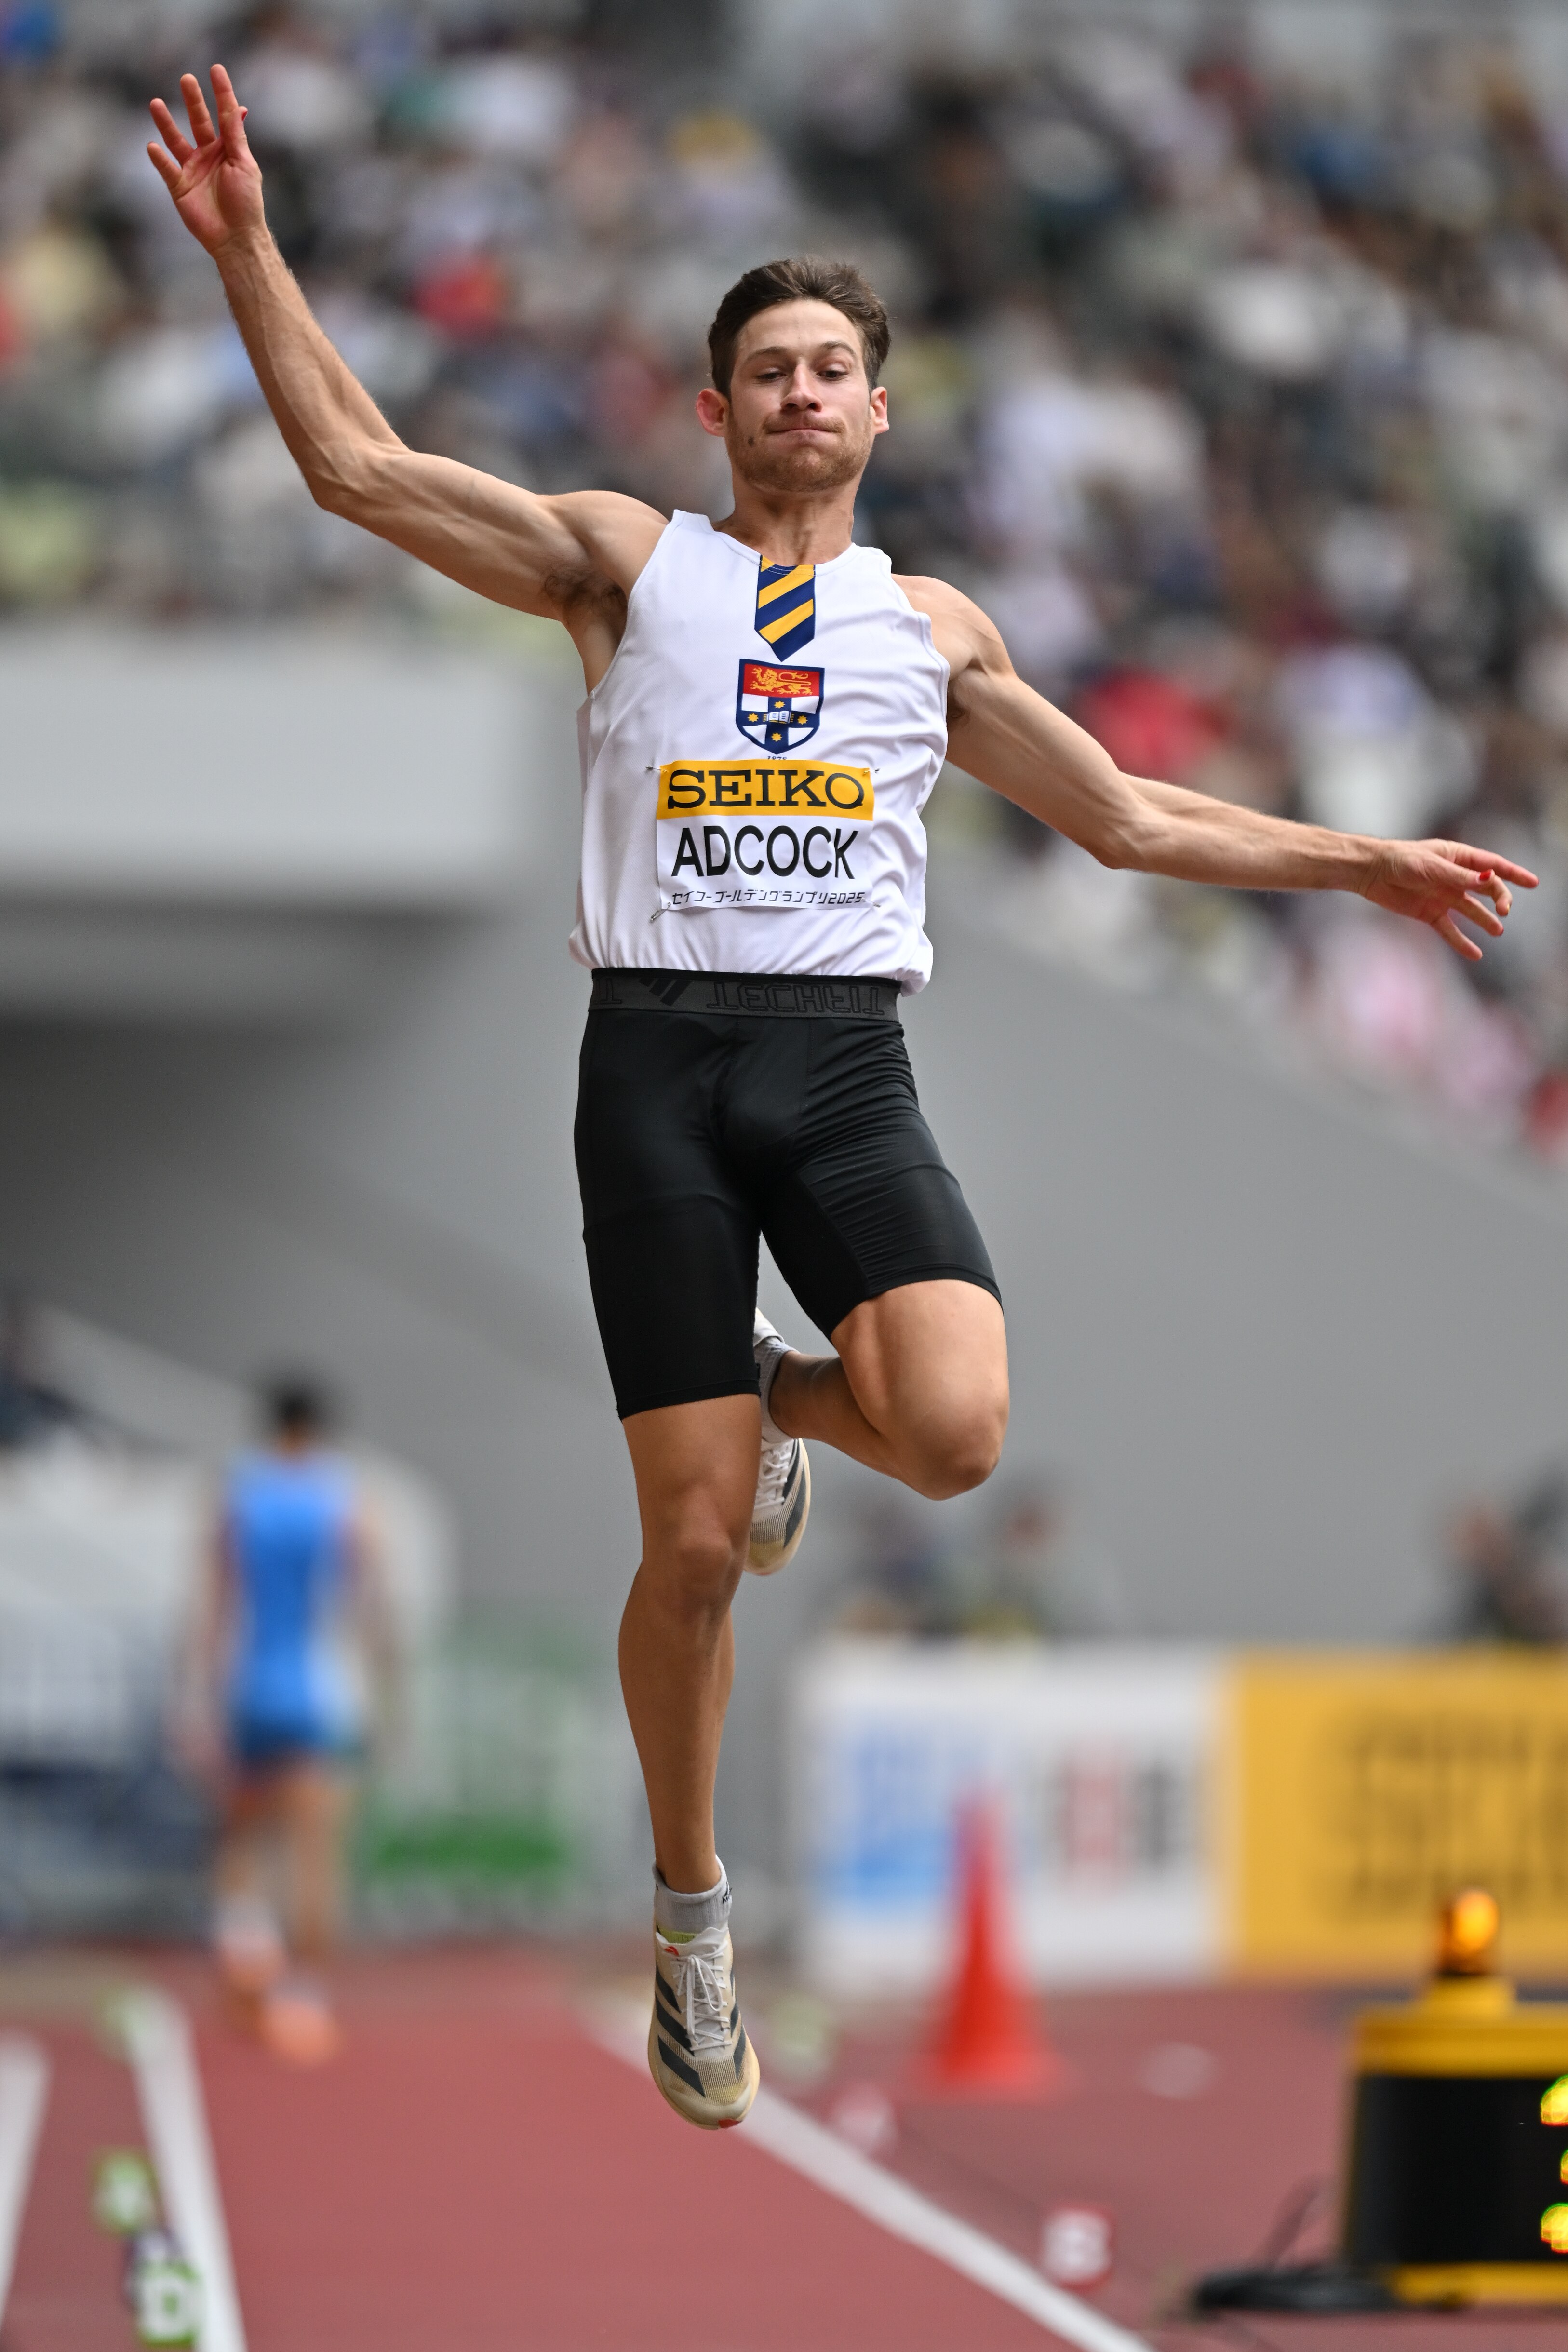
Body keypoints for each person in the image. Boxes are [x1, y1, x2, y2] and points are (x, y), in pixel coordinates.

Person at [147, 65, 1535, 2128]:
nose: (801, 391)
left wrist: (1367, 859)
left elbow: (1131, 815)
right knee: (692, 1548)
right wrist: (254, 243)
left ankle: (784, 1393)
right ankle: (692, 1917)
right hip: (657, 1061)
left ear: (881, 411)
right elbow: (356, 468)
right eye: (766, 369)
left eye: (832, 368)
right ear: (713, 414)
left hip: (842, 1056)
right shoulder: (629, 569)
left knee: (959, 1429)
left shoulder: (931, 629)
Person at [186, 1374, 394, 2062]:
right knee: (314, 1851)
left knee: (242, 1842)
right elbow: (370, 1605)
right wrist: (388, 1694)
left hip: (251, 1683)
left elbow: (214, 1606)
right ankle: (302, 1994)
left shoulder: (239, 1491)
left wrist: (198, 1701)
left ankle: (249, 1959)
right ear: (319, 1428)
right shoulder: (343, 1495)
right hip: (316, 1688)